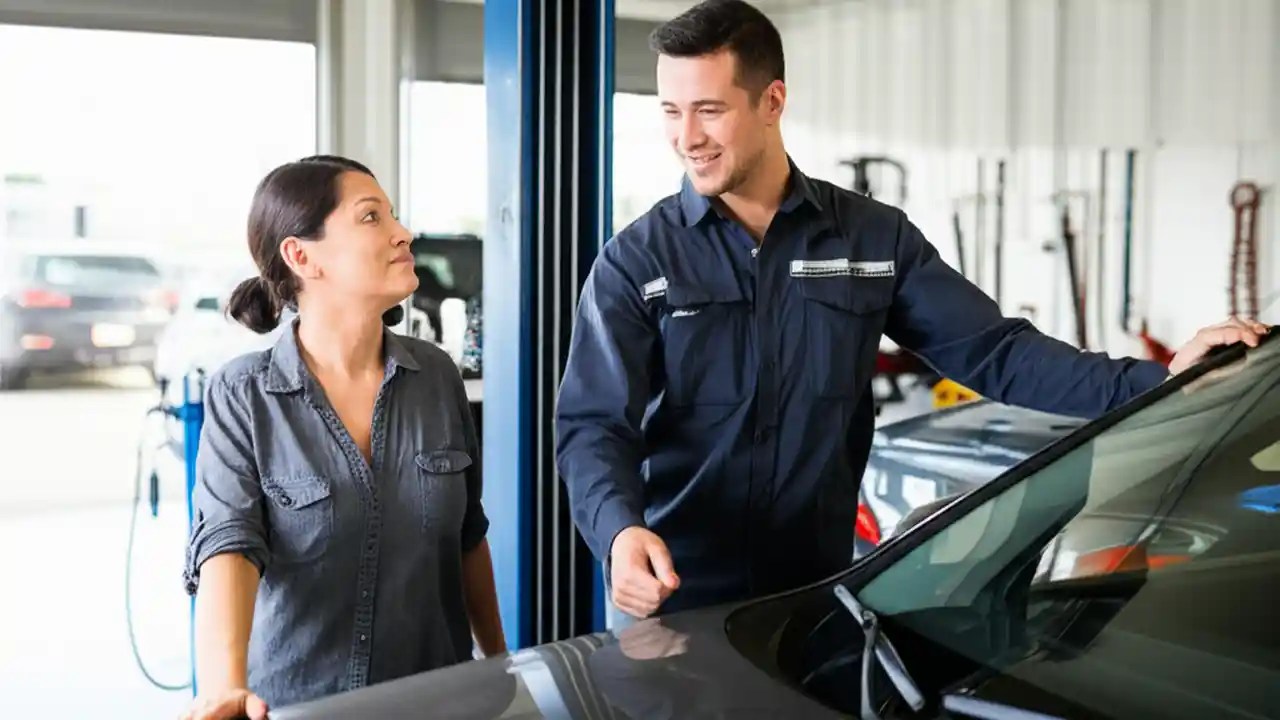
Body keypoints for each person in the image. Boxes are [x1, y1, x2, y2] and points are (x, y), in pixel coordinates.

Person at [554, 0, 1269, 628]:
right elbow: (593, 423)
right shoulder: (637, 262)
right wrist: (617, 532)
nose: (687, 137)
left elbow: (998, 353)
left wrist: (1162, 380)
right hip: (676, 593)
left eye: (710, 109)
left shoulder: (871, 240)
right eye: (671, 112)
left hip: (817, 591)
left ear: (772, 101)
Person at [180, 155, 505, 720]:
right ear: (302, 256)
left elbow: (467, 537)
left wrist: (500, 663)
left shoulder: (437, 376)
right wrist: (223, 688)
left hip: (443, 703)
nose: (403, 233)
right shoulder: (244, 394)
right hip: (300, 708)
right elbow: (228, 548)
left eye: (394, 216)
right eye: (372, 218)